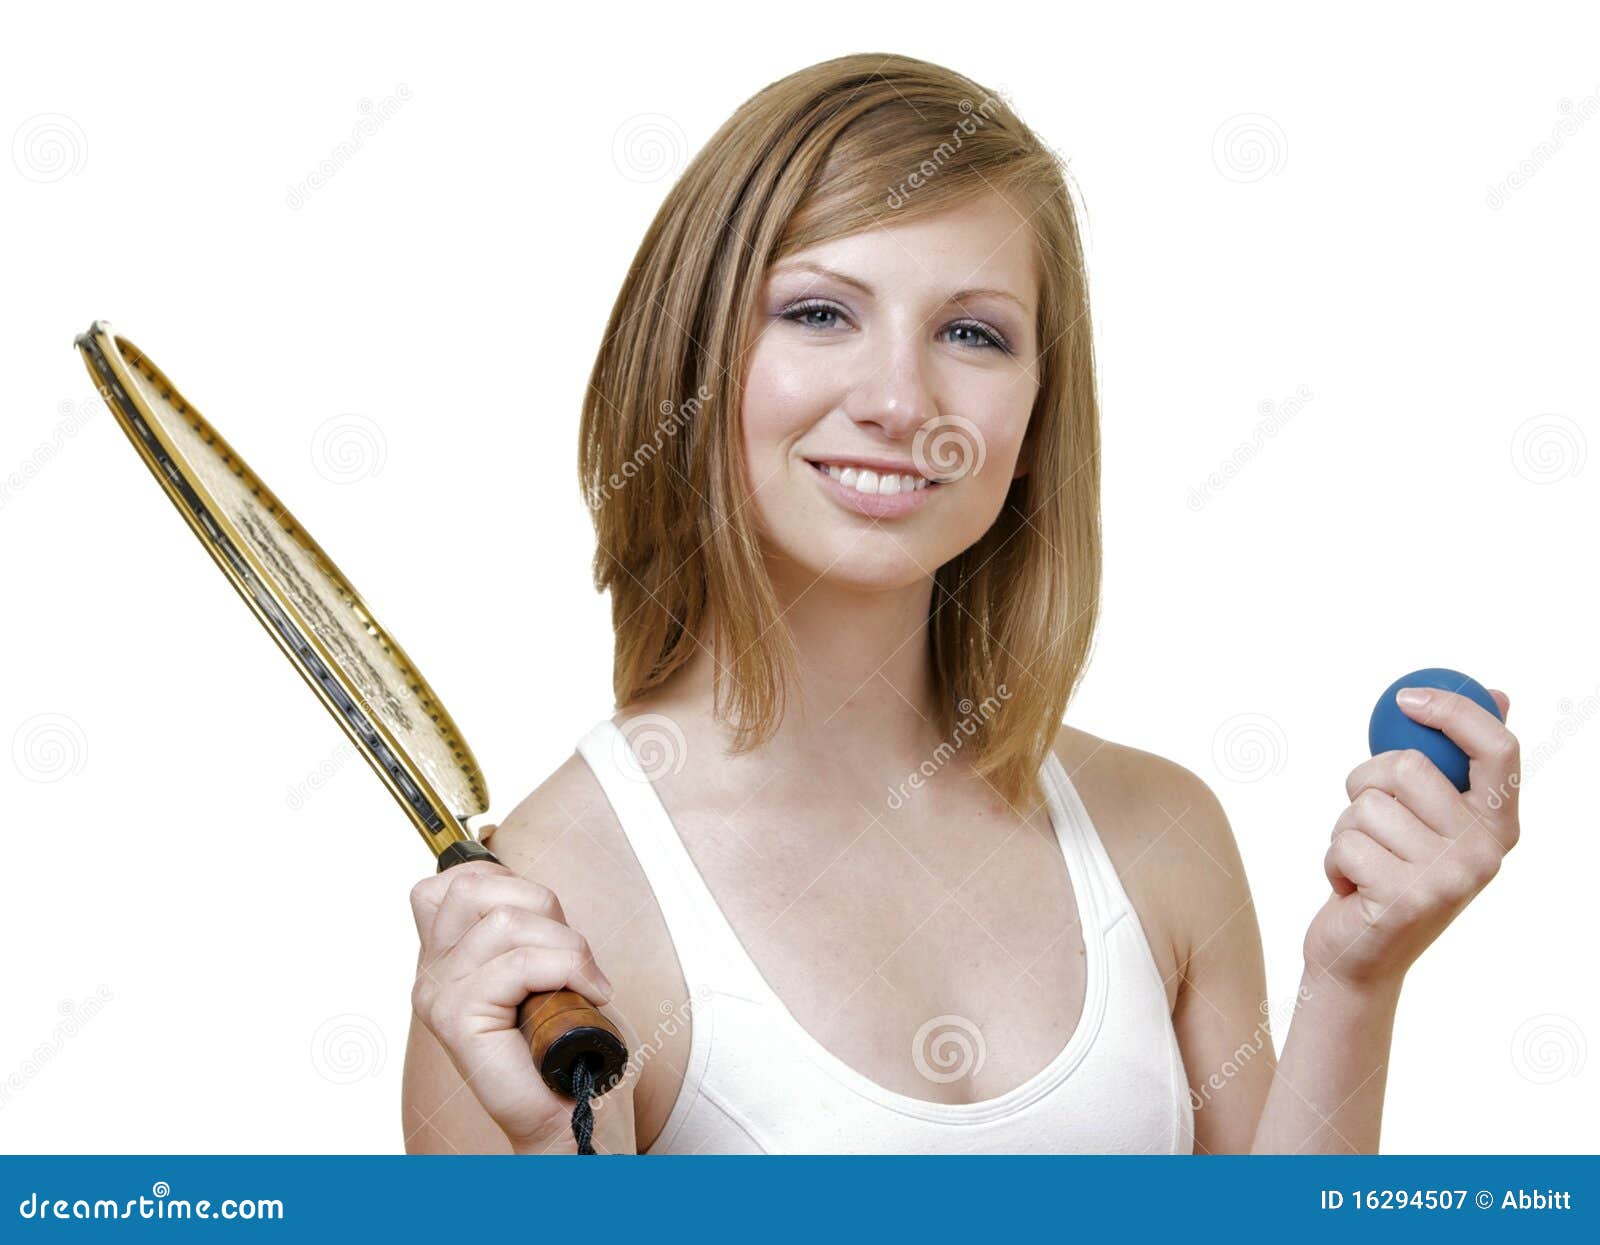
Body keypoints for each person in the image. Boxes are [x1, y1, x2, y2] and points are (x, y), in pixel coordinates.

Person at [401, 52, 1523, 1155]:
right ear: (691, 368)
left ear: (1035, 420)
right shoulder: (554, 911)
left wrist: (1354, 978)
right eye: (819, 313)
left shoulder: (1158, 833)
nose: (899, 400)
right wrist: (549, 1163)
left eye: (972, 333)